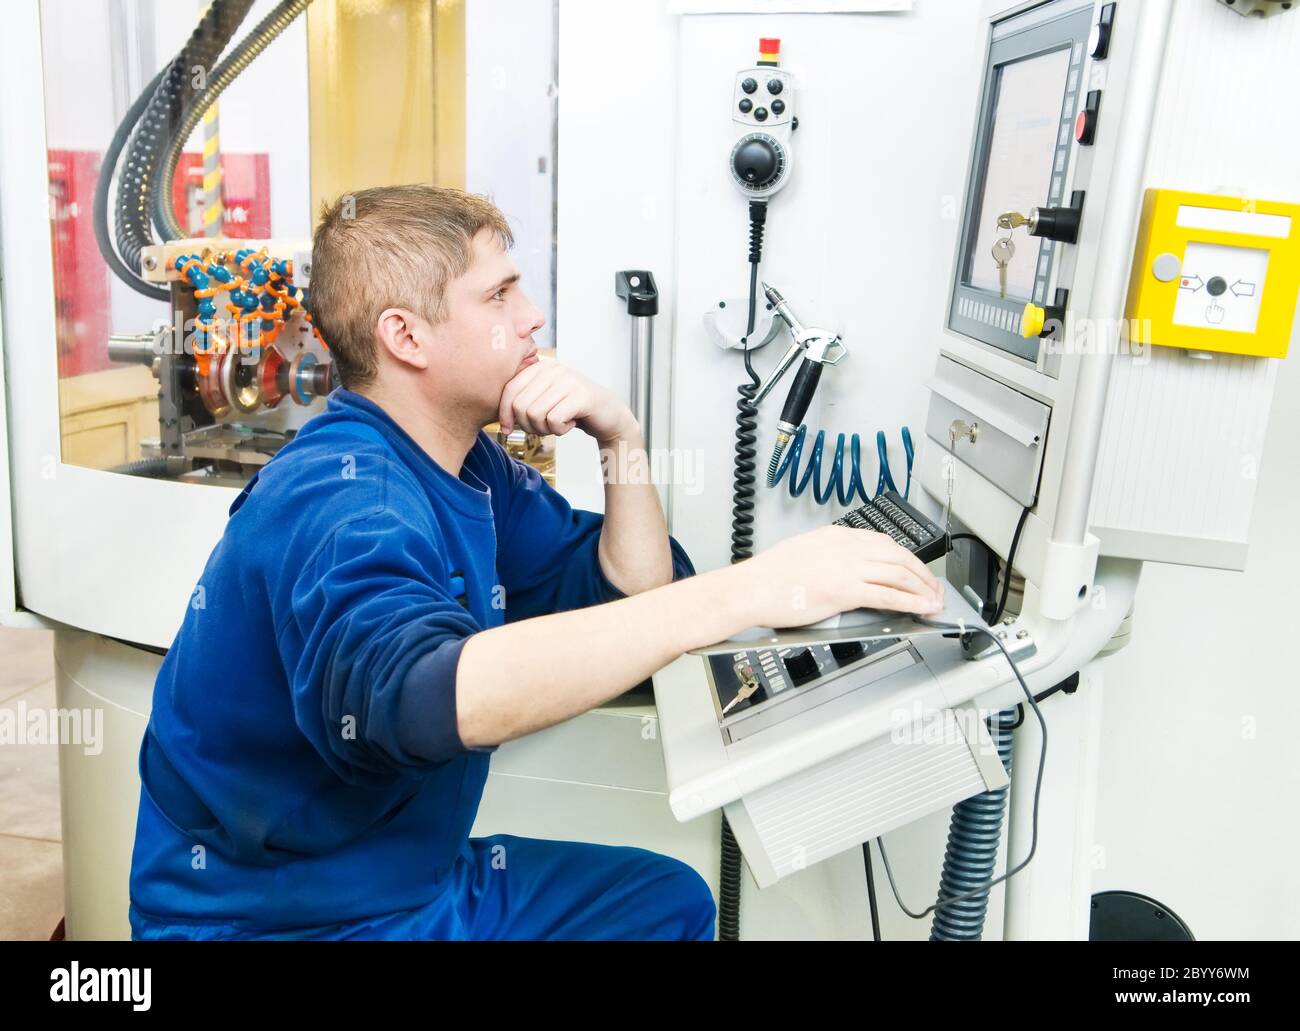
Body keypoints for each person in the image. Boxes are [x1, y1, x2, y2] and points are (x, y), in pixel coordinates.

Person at [128, 184, 943, 940]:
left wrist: (622, 434)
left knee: (666, 907)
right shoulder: (342, 498)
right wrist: (757, 587)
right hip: (279, 918)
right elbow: (422, 699)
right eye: (499, 295)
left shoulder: (470, 466)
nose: (532, 316)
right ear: (405, 336)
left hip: (406, 881)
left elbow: (630, 587)